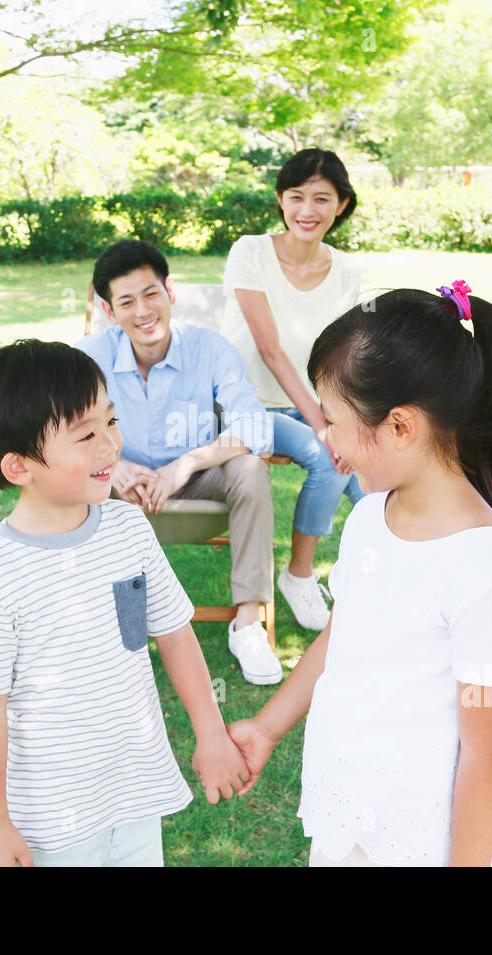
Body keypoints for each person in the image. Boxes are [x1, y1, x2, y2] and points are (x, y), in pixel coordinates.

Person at [226, 283, 492, 867]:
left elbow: (485, 752)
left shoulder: (482, 569)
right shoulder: (367, 521)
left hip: (419, 844)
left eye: (332, 420)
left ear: (400, 428)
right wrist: (268, 727)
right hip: (350, 813)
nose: (323, 437)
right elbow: (341, 635)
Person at [0, 339, 248, 866]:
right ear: (18, 468)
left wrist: (211, 735)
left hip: (134, 794)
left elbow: (174, 633)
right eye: (85, 435)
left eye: (111, 421)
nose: (110, 446)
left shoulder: (128, 528)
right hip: (50, 820)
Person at [77, 239, 283, 686]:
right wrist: (113, 468)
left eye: (151, 293)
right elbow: (59, 431)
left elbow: (255, 427)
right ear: (110, 312)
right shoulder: (88, 356)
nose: (143, 310)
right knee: (74, 480)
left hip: (196, 478)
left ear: (171, 291)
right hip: (118, 486)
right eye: (126, 301)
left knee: (251, 468)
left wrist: (185, 465)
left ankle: (248, 623)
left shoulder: (210, 348)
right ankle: (112, 631)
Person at [221, 147, 365, 633]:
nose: (308, 210)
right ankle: (298, 576)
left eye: (322, 199)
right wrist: (325, 428)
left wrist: (340, 419)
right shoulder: (250, 252)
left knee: (372, 479)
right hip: (245, 405)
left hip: (311, 402)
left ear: (341, 205)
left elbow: (343, 357)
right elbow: (270, 350)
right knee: (329, 458)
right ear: (281, 200)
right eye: (296, 196)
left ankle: (374, 583)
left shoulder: (348, 272)